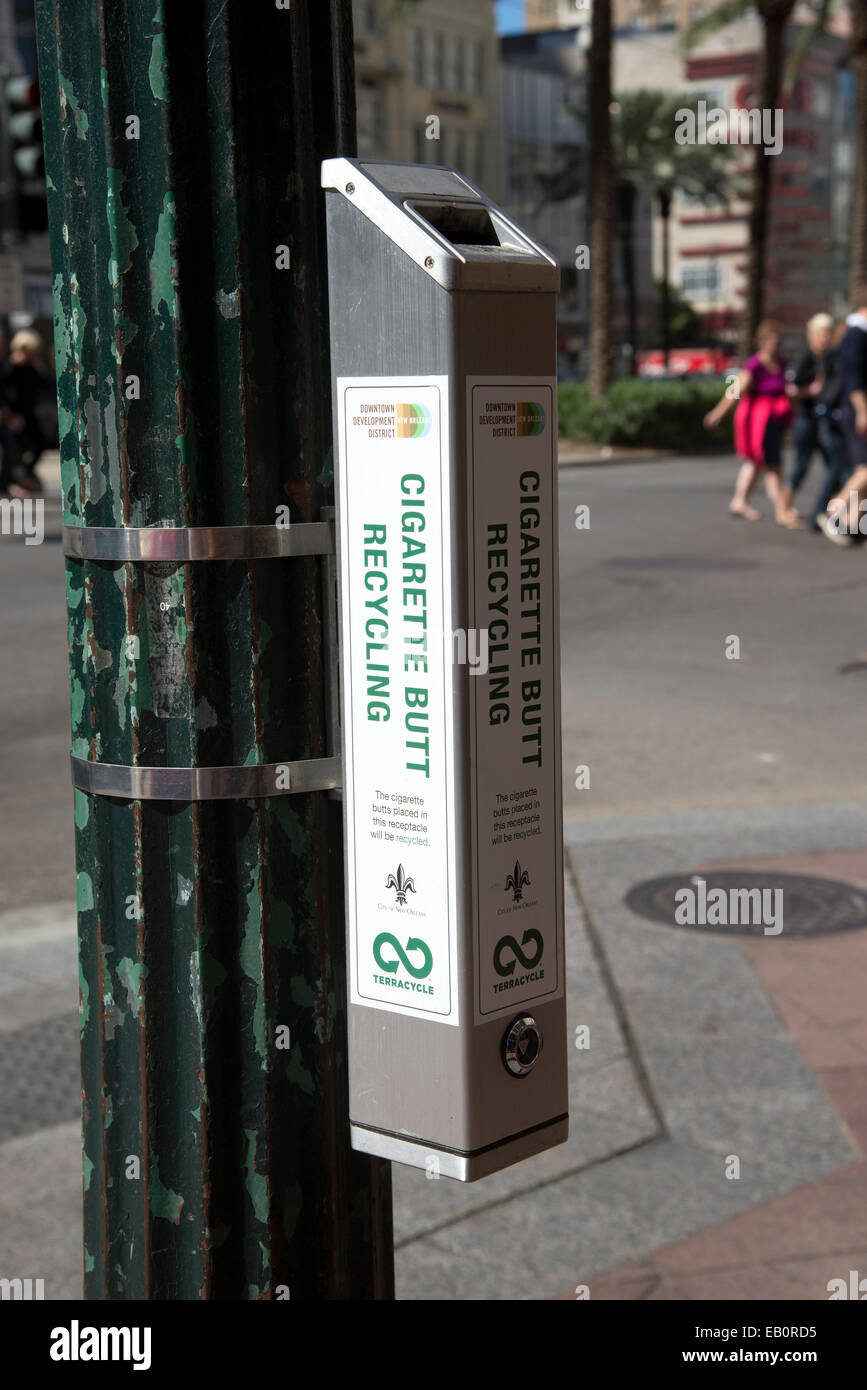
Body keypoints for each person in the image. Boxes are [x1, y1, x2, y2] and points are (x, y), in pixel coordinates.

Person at [703, 320, 800, 525]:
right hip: (758, 421)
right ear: (763, 342)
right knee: (766, 463)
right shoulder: (754, 364)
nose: (777, 345)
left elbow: (787, 393)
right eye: (773, 341)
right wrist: (718, 412)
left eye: (779, 341)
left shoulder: (781, 363)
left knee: (765, 464)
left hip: (776, 420)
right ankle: (779, 507)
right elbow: (735, 389)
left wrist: (795, 414)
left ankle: (741, 501)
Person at [818, 287, 867, 546]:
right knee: (866, 470)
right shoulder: (856, 334)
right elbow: (854, 379)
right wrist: (863, 411)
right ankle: (834, 511)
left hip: (856, 409)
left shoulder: (856, 333)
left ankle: (853, 524)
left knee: (862, 470)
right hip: (857, 410)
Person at [780, 313, 833, 520]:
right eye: (821, 333)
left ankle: (835, 510)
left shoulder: (828, 357)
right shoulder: (804, 357)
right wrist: (812, 390)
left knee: (835, 466)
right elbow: (791, 387)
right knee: (802, 466)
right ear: (811, 334)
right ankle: (783, 509)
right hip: (806, 420)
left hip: (824, 421)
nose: (825, 337)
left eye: (828, 333)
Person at [1, 328, 49, 495]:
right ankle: (13, 480)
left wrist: (39, 367)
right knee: (15, 448)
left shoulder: (31, 366)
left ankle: (26, 475)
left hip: (28, 413)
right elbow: (5, 392)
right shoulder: (10, 365)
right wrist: (10, 415)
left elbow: (44, 385)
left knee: (39, 443)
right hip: (14, 414)